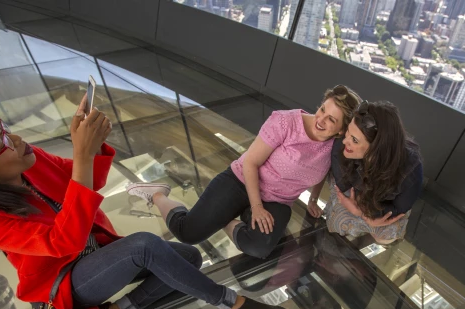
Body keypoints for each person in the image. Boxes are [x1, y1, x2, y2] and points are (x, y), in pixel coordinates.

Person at [0, 95, 287, 309]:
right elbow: (62, 241)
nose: (16, 139)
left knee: (188, 258)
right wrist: (82, 155)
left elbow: (89, 179)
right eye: (2, 141)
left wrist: (89, 148)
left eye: (2, 128)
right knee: (145, 246)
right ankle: (233, 304)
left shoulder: (26, 159)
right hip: (66, 284)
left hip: (97, 256)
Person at [125, 85, 361, 259]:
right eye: (322, 109)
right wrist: (256, 207)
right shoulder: (285, 122)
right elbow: (250, 163)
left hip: (278, 201)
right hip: (241, 181)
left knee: (259, 248)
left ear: (341, 131)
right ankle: (158, 194)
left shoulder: (336, 148)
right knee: (188, 234)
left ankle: (227, 219)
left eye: (331, 120)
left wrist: (312, 198)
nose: (321, 119)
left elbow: (323, 170)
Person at [308, 100, 423, 244]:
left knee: (386, 236)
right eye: (348, 132)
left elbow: (399, 208)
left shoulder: (411, 171)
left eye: (355, 140)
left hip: (380, 204)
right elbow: (345, 188)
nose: (345, 141)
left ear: (377, 149)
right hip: (353, 193)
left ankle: (363, 245)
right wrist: (362, 214)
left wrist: (365, 214)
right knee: (338, 224)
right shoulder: (340, 149)